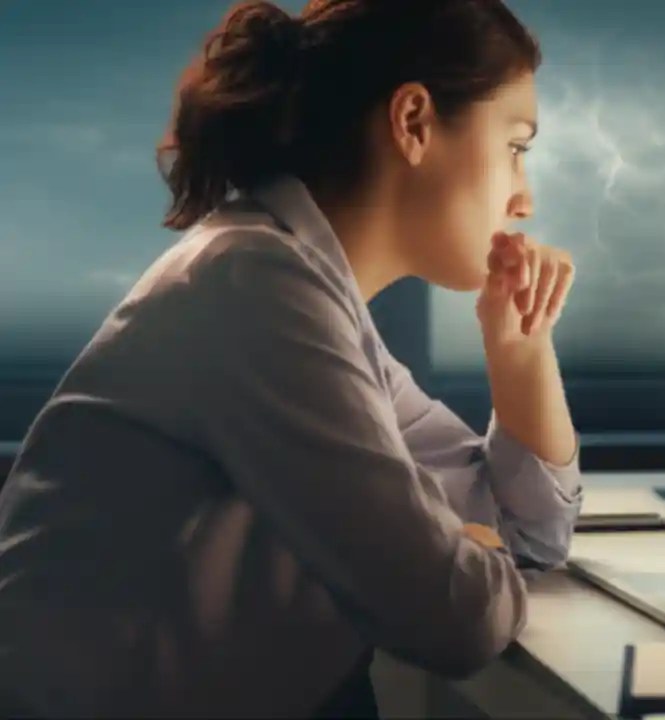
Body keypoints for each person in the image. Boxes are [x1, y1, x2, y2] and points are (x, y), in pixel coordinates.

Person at [0, 0, 583, 716]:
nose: (524, 198)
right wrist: (460, 546)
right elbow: (454, 619)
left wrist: (518, 345)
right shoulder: (256, 287)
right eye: (516, 146)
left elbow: (530, 534)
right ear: (413, 123)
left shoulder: (311, 299)